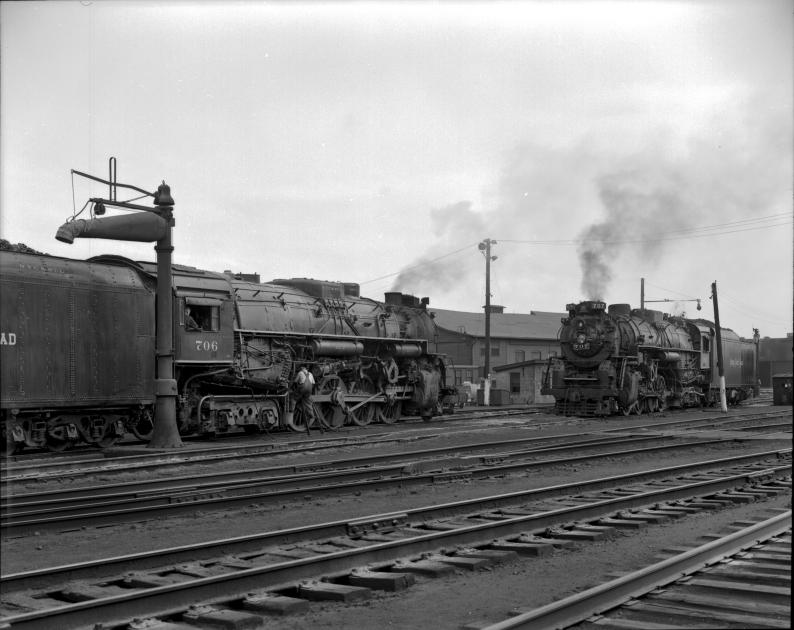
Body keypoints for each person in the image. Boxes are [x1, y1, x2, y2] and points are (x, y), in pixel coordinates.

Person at [293, 365, 316, 433]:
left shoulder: (300, 373)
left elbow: (295, 382)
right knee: (308, 402)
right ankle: (312, 416)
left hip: (301, 390)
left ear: (302, 368)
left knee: (293, 399)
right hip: (309, 391)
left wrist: (293, 389)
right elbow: (313, 384)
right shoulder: (310, 374)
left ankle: (291, 411)